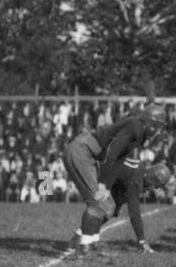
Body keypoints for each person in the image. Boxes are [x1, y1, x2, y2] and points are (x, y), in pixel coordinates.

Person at [62, 104, 167, 258]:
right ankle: (83, 247)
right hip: (83, 152)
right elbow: (113, 149)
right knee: (97, 202)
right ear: (152, 124)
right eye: (158, 127)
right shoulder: (136, 127)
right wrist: (103, 183)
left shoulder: (138, 131)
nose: (158, 131)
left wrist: (107, 184)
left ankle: (92, 244)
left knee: (105, 204)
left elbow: (119, 159)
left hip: (86, 152)